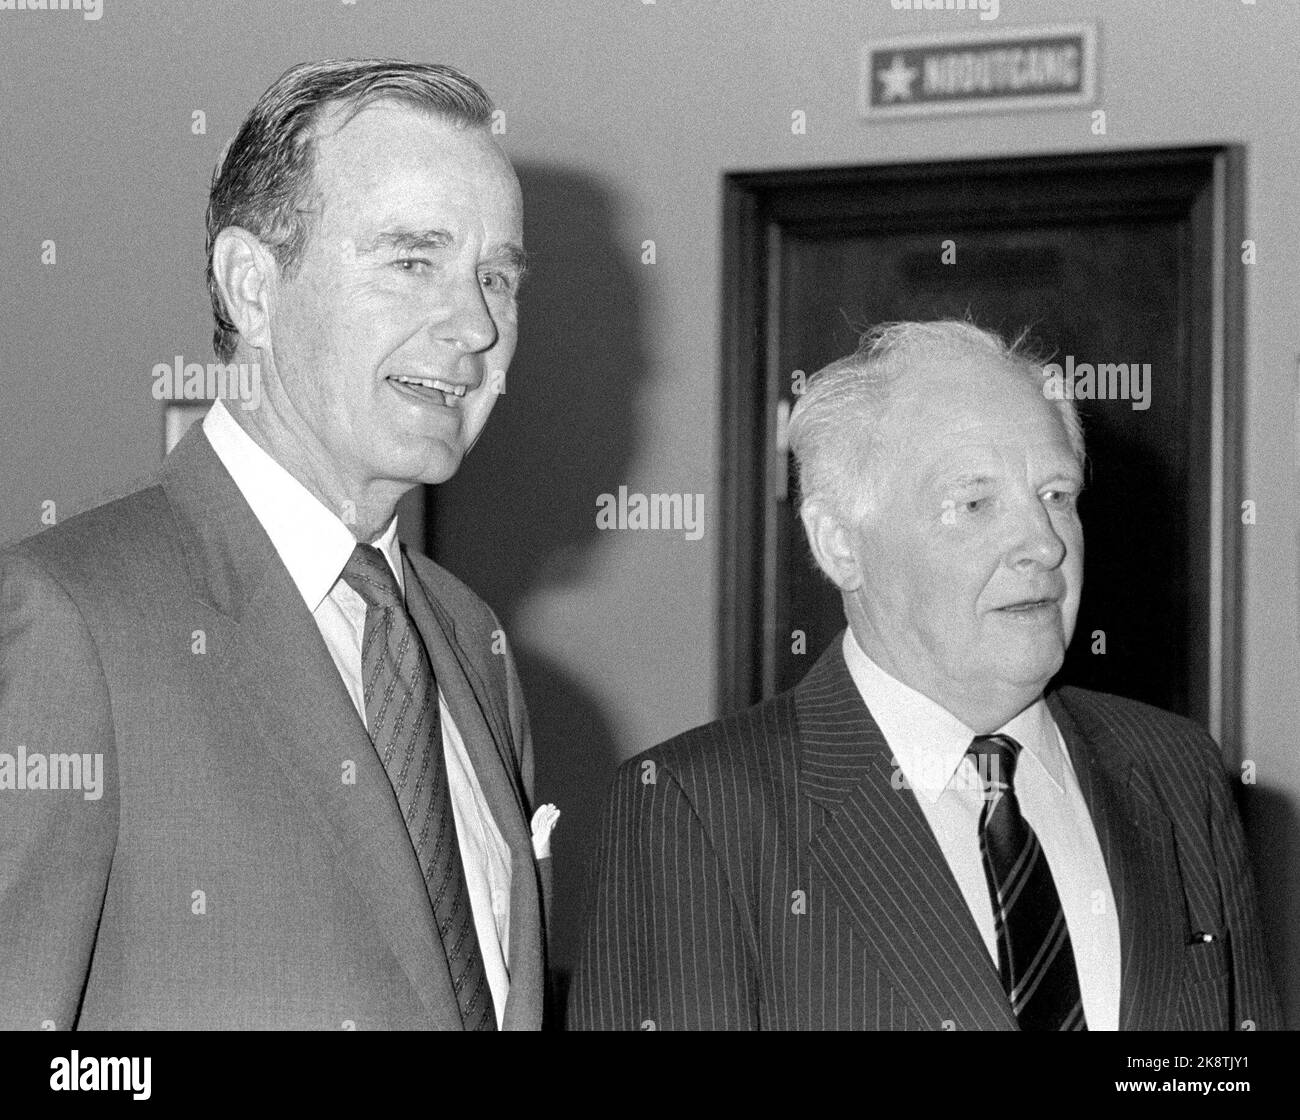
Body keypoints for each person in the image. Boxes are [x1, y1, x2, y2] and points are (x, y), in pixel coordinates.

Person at [0, 59, 553, 1030]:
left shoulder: (471, 642)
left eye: (496, 277)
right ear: (252, 287)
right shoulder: (71, 618)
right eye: (412, 259)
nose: (474, 325)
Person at [569, 320, 1280, 1031]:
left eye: (1057, 495)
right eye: (975, 504)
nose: (1042, 543)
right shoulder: (698, 812)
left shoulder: (1175, 771)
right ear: (840, 544)